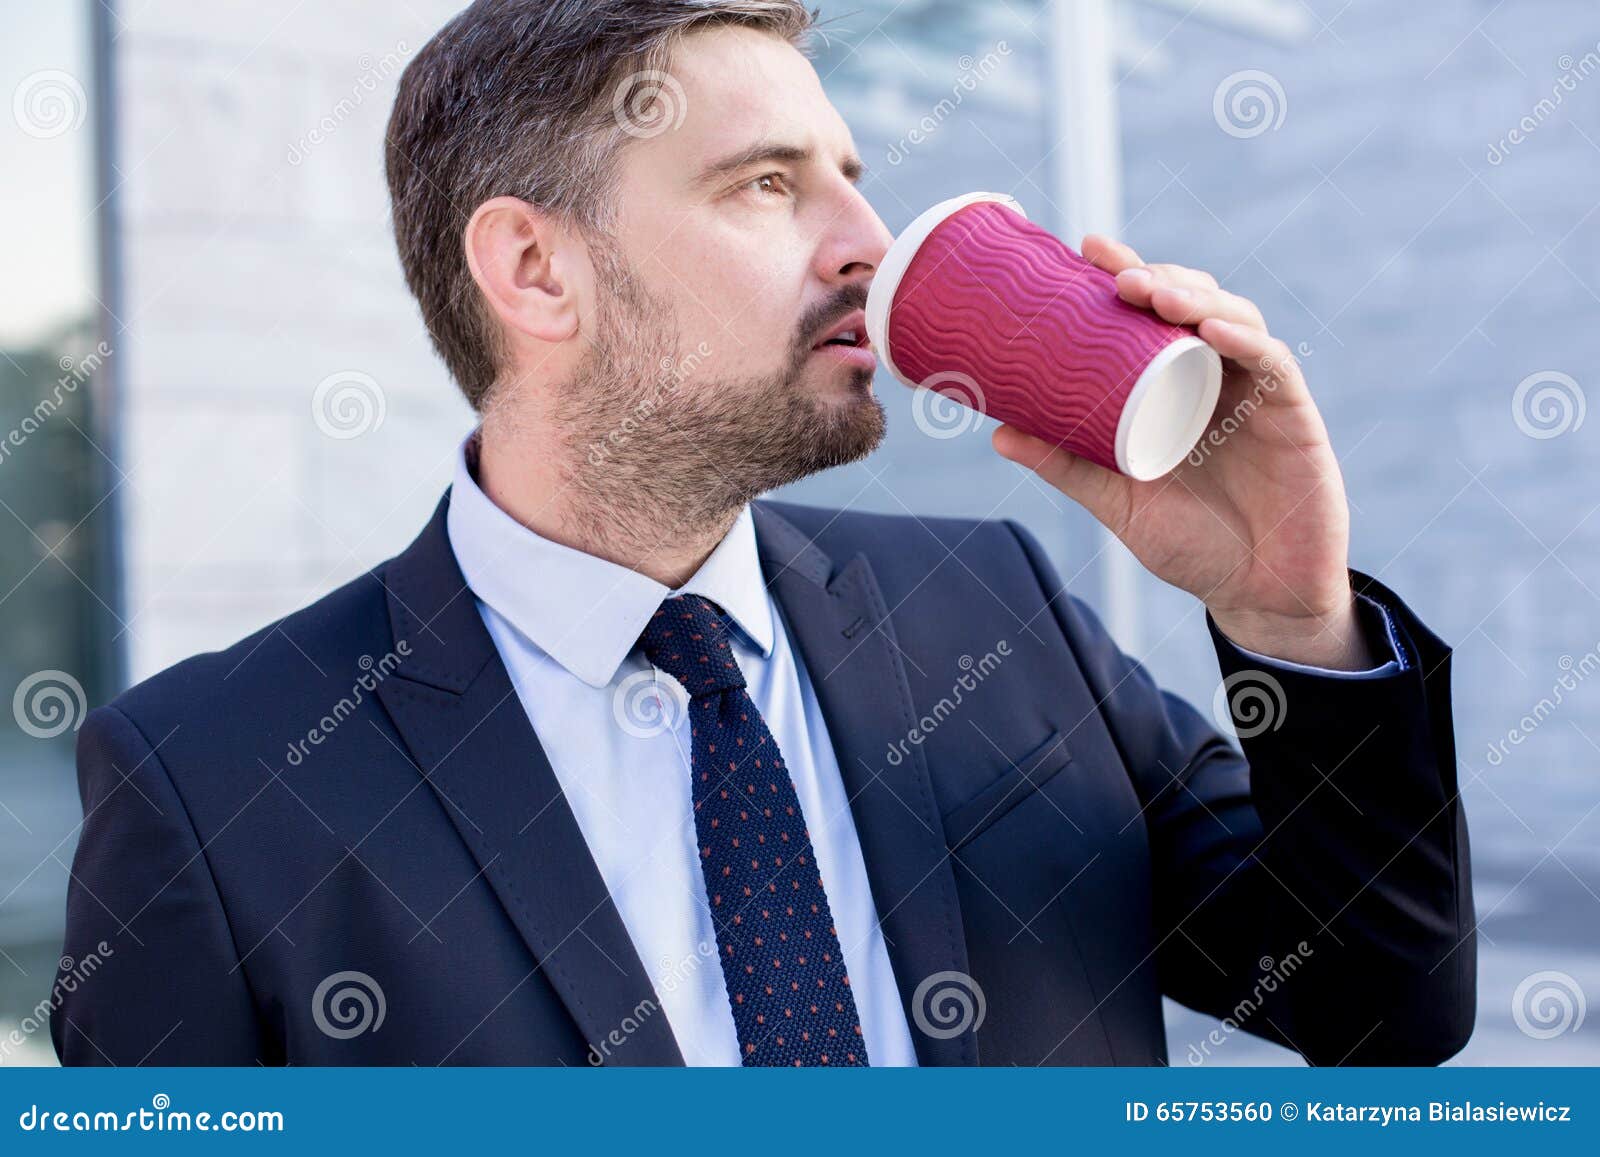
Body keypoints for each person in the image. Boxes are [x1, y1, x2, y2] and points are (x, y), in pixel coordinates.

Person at [53, 0, 1473, 1066]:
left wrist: (1296, 618)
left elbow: (1380, 1006)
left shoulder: (993, 614)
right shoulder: (214, 785)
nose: (869, 238)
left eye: (850, 171)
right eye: (769, 183)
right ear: (537, 270)